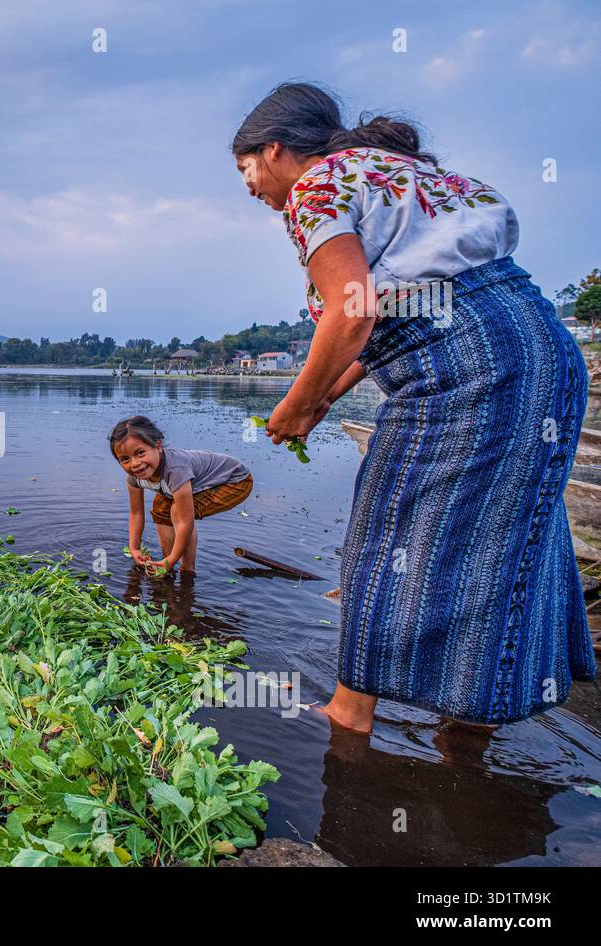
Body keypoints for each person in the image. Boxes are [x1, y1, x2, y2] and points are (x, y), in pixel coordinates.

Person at [231, 82, 594, 733]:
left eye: (246, 169)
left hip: (470, 367)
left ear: (275, 148)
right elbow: (392, 320)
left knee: (384, 529)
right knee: (503, 539)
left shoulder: (317, 186)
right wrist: (323, 401)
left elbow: (353, 310)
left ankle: (349, 716)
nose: (249, 186)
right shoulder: (402, 173)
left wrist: (292, 405)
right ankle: (474, 725)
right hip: (542, 352)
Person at [109, 415, 252, 575]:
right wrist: (134, 548)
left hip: (235, 481)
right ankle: (166, 564)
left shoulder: (175, 470)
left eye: (140, 453)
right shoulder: (134, 478)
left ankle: (186, 570)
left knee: (177, 511)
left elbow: (185, 521)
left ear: (158, 446)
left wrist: (172, 560)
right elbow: (136, 513)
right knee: (160, 509)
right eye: (125, 459)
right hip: (199, 482)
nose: (135, 463)